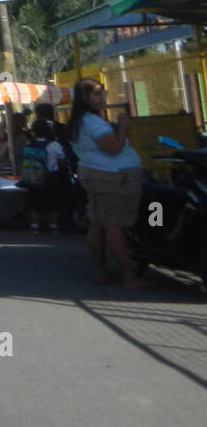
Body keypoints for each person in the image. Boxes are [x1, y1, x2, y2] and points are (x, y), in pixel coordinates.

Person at [70, 78, 146, 288]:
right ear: (85, 97)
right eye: (96, 93)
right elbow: (114, 147)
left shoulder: (81, 121)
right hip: (113, 177)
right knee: (114, 225)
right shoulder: (93, 122)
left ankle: (100, 272)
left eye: (102, 93)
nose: (101, 98)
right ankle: (129, 276)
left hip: (96, 175)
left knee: (98, 224)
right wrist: (123, 126)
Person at [22, 118, 67, 234]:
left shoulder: (29, 143)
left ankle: (35, 225)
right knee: (54, 201)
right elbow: (62, 160)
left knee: (35, 201)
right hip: (51, 176)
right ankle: (53, 225)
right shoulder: (54, 145)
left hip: (34, 176)